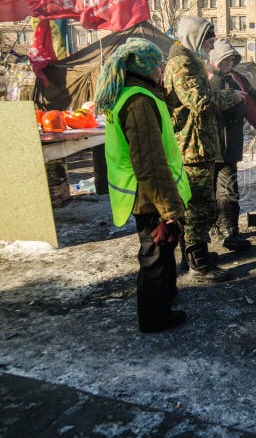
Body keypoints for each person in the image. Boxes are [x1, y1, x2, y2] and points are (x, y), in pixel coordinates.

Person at [96, 38, 192, 333]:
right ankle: (154, 317)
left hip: (150, 193)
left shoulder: (134, 95)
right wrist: (169, 210)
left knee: (163, 249)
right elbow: (149, 162)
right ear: (147, 68)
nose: (162, 70)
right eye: (159, 65)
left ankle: (166, 298)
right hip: (149, 195)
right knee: (154, 255)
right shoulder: (138, 102)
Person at [164, 16, 245, 283]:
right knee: (198, 207)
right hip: (192, 147)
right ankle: (197, 265)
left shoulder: (190, 60)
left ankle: (196, 256)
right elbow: (199, 100)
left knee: (200, 205)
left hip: (200, 144)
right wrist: (231, 96)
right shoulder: (182, 63)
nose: (211, 45)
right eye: (208, 39)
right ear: (194, 37)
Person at [207, 39, 256, 251]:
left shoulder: (238, 79)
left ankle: (230, 232)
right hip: (203, 147)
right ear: (213, 59)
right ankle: (212, 229)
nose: (228, 64)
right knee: (206, 192)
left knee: (228, 190)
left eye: (231, 60)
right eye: (224, 60)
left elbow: (254, 109)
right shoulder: (201, 79)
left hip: (229, 145)